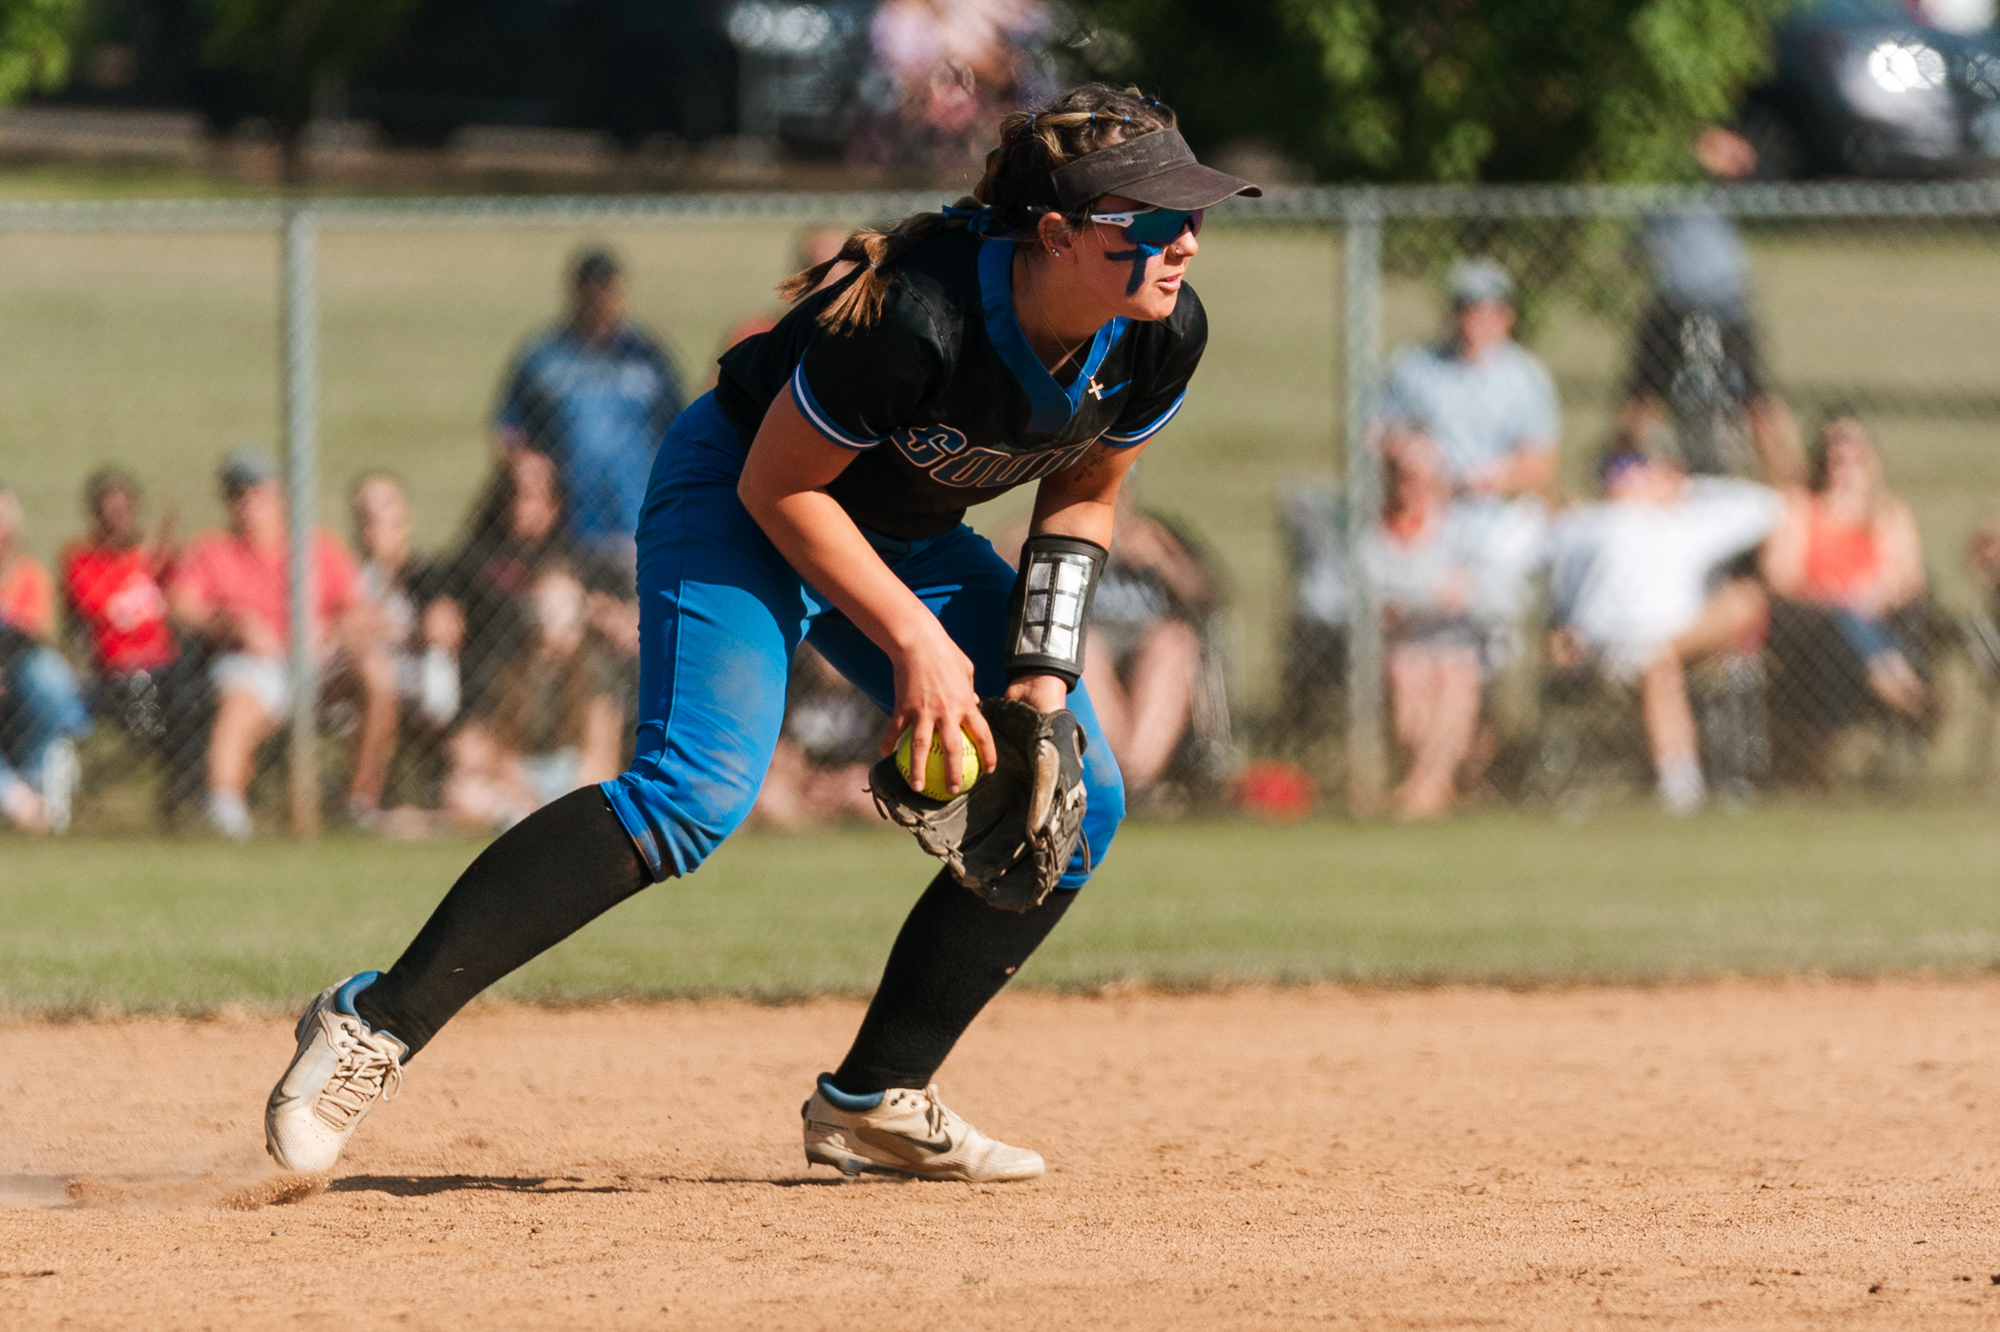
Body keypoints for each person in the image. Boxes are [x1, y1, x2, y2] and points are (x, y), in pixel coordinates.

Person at [263, 83, 1257, 1185]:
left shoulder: (1157, 335)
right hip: (741, 499)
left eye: (1196, 219)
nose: (1184, 246)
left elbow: (1081, 494)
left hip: (907, 533)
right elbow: (782, 487)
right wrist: (917, 645)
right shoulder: (920, 318)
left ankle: (875, 1098)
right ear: (1058, 235)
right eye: (1153, 223)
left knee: (1077, 806)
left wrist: (1037, 677)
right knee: (692, 792)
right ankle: (376, 1020)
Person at [167, 450, 397, 838]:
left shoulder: (317, 547)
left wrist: (330, 632)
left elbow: (365, 612)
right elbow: (179, 607)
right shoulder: (213, 550)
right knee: (238, 701)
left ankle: (359, 804)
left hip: (319, 666)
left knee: (376, 675)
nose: (247, 503)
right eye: (237, 494)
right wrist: (231, 622)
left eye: (257, 492)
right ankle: (226, 811)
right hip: (254, 665)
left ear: (280, 497)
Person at [1547, 444, 1779, 815]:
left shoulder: (1684, 522)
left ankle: (1683, 782)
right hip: (1610, 645)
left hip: (1678, 638)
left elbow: (1766, 505)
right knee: (1657, 664)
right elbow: (1565, 600)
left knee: (1741, 599)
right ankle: (1680, 789)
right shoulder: (1588, 523)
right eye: (1616, 469)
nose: (1625, 477)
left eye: (1638, 467)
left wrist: (1685, 488)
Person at [1376, 259, 1556, 648]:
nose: (1475, 319)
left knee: (1495, 582)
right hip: (1424, 510)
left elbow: (1541, 462)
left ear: (1506, 316)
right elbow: (1377, 435)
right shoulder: (1415, 367)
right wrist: (1416, 456)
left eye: (1487, 309)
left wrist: (1498, 475)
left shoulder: (1525, 378)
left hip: (1491, 515)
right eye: (1467, 308)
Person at [1621, 127, 1803, 484]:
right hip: (1671, 307)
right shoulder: (1655, 174)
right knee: (1641, 403)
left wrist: (1727, 157)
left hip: (1724, 306)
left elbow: (1756, 174)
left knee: (1758, 403)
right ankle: (1623, 480)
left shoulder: (1719, 183)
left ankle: (1794, 492)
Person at [492, 248, 687, 561]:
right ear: (575, 293)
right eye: (592, 289)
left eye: (607, 288)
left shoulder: (646, 355)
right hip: (567, 523)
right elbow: (509, 430)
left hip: (636, 513)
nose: (599, 298)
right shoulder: (544, 357)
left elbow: (681, 427)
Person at [1761, 414, 1931, 730]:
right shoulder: (1800, 506)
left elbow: (1910, 577)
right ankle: (1900, 689)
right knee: (1844, 614)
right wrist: (1832, 594)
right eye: (1837, 457)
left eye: (1856, 457)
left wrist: (1879, 591)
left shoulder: (1889, 513)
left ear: (1871, 460)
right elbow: (1779, 577)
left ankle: (1892, 685)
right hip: (1811, 619)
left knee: (1852, 613)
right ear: (1822, 461)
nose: (1846, 465)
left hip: (1879, 613)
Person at [440, 564, 626, 830]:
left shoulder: (595, 669)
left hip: (572, 778)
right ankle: (532, 817)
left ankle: (533, 820)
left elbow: (601, 761)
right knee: (461, 794)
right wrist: (517, 784)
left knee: (589, 788)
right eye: (543, 604)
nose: (549, 614)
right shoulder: (511, 668)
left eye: (562, 605)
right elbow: (491, 747)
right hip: (522, 778)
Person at [1361, 435, 1485, 820]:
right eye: (1403, 476)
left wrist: (1418, 598)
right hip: (1401, 642)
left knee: (1455, 672)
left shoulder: (1461, 528)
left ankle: (1422, 788)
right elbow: (1370, 598)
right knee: (1409, 671)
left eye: (1420, 476)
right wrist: (1427, 598)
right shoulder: (1373, 532)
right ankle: (1431, 786)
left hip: (1459, 639)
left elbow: (1479, 591)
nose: (1411, 485)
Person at [1076, 486, 1223, 801]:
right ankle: (1120, 778)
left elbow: (1210, 598)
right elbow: (1003, 576)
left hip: (1147, 651)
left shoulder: (1157, 536)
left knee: (1174, 642)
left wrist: (1164, 561)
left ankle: (1135, 778)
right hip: (1091, 649)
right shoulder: (1058, 532)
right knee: (1084, 646)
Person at [0, 486, 88, 833]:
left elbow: (34, 636)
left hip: (15, 680)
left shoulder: (29, 577)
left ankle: (38, 775)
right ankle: (16, 799)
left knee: (50, 675)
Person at [352, 472, 461, 737]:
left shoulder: (426, 575)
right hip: (363, 677)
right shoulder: (351, 576)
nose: (375, 514)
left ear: (405, 519)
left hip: (414, 672)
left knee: (438, 668)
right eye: (367, 508)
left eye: (386, 504)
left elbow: (443, 629)